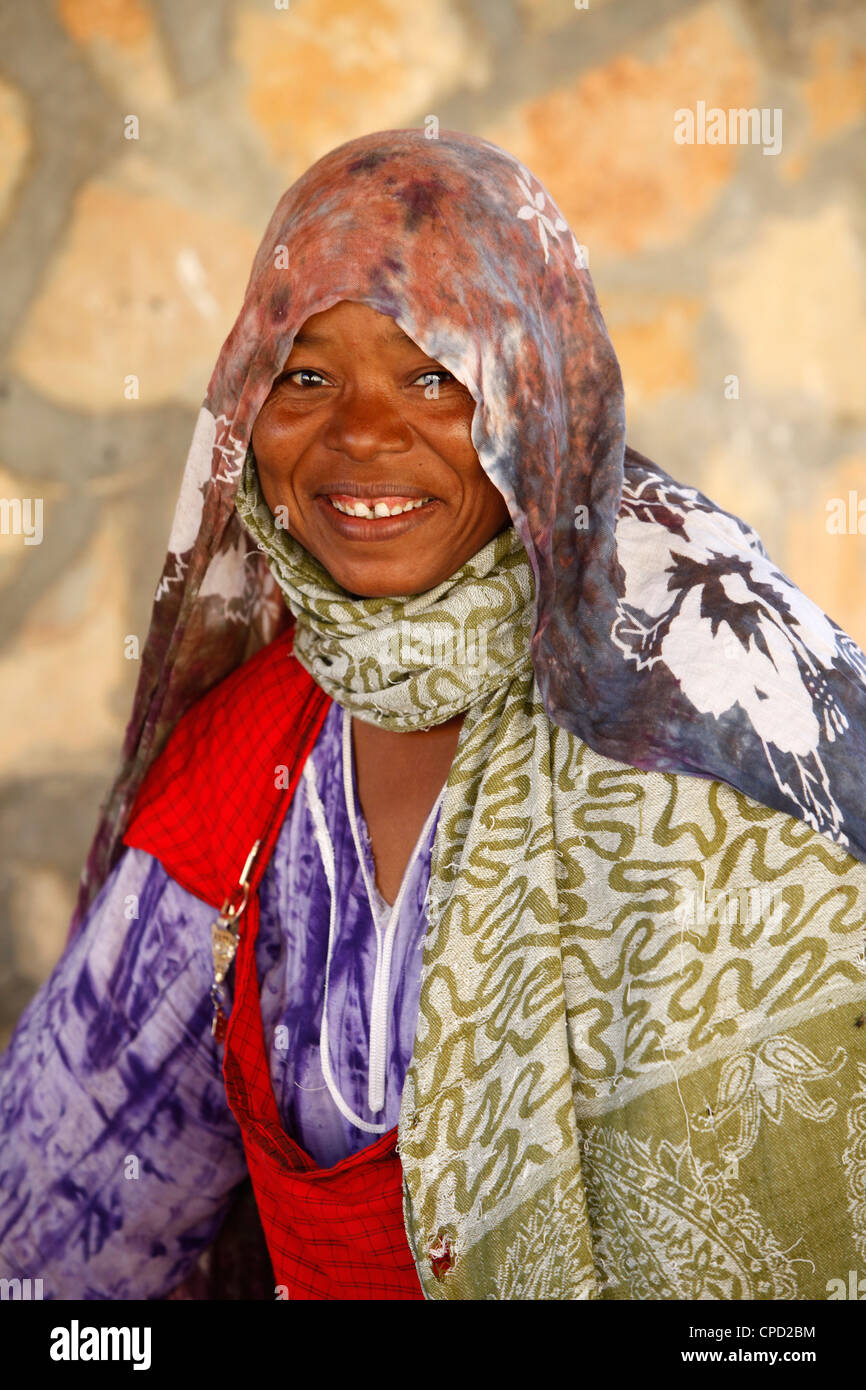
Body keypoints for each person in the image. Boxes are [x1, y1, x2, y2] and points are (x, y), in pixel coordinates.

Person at [1, 127, 865, 1302]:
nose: (361, 432)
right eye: (304, 375)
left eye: (433, 376)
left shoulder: (726, 707)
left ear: (537, 396)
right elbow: (55, 1228)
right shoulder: (247, 764)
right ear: (244, 405)